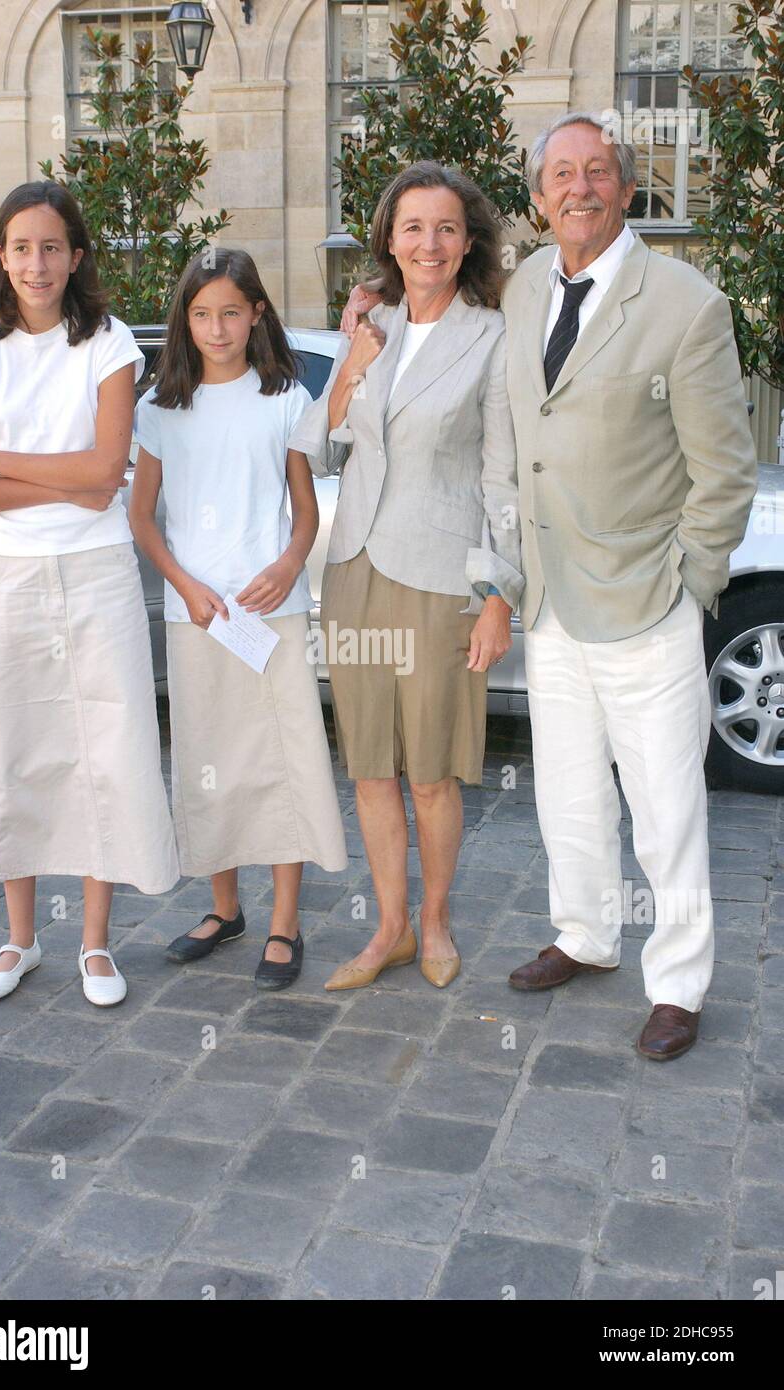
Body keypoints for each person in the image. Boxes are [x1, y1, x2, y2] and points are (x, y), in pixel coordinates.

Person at [343, 114, 757, 1058]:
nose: (579, 188)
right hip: (549, 603)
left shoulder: (684, 304)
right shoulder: (526, 289)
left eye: (598, 172)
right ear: (537, 199)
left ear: (624, 187)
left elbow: (722, 471)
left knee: (664, 805)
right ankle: (585, 934)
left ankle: (680, 981)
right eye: (560, 175)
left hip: (644, 600)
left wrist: (688, 584)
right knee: (566, 792)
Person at [0, 180, 179, 1008]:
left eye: (50, 247)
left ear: (76, 256)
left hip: (98, 572)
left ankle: (97, 945)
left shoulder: (107, 344)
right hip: (8, 574)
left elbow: (106, 473)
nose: (35, 263)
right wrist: (56, 482)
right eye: (19, 247)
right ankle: (20, 939)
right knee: (15, 748)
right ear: (0, 257)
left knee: (104, 749)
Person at [290, 161, 522, 992]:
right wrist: (352, 354)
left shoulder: (492, 335)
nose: (429, 243)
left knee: (429, 769)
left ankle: (434, 923)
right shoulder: (372, 325)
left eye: (446, 228)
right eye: (413, 227)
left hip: (437, 578)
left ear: (467, 243)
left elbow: (503, 478)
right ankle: (387, 925)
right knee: (368, 768)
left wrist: (496, 592)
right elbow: (320, 447)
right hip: (353, 570)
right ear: (389, 237)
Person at [129, 247, 347, 991]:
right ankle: (225, 910)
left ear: (256, 313)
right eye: (200, 314)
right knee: (207, 762)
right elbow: (143, 517)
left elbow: (304, 510)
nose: (216, 328)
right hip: (197, 617)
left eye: (230, 312)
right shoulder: (159, 407)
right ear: (183, 321)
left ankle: (284, 920)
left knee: (278, 762)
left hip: (271, 615)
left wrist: (290, 563)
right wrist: (185, 587)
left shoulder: (284, 397)